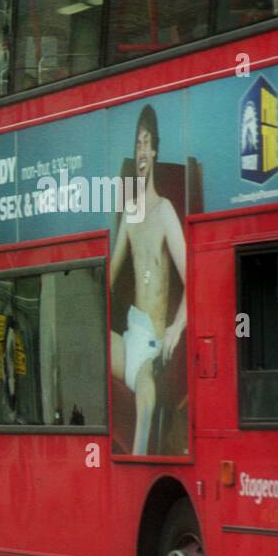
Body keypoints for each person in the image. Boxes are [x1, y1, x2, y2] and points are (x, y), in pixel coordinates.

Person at [110, 104, 187, 456]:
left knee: (145, 404)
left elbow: (195, 280)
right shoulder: (130, 212)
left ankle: (137, 477)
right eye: (136, 144)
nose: (141, 151)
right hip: (129, 336)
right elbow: (108, 277)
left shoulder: (166, 211)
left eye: (146, 143)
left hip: (151, 348)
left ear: (155, 149)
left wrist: (175, 327)